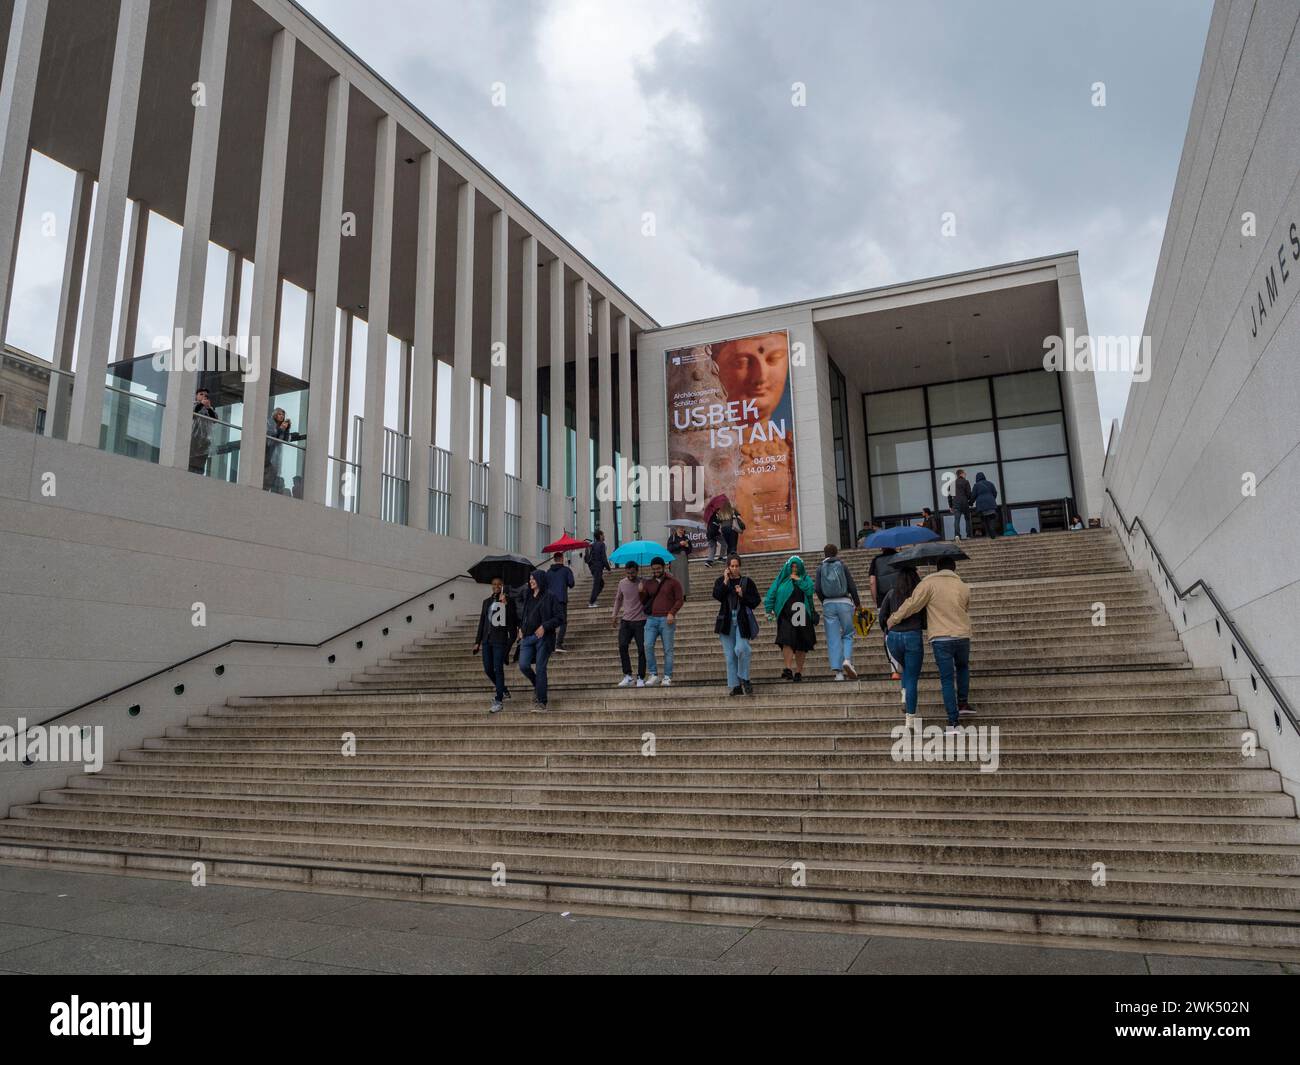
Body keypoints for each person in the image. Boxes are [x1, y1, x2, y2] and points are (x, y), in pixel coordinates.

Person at [888, 557, 974, 733]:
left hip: (941, 637)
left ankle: (953, 722)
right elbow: (965, 607)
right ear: (953, 568)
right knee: (963, 667)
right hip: (962, 634)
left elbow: (912, 604)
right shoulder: (963, 586)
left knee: (947, 679)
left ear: (937, 568)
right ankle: (963, 702)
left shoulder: (929, 583)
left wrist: (894, 618)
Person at [879, 565, 925, 725]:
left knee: (905, 667)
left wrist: (887, 628)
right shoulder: (918, 596)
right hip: (912, 636)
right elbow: (925, 618)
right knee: (912, 676)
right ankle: (910, 718)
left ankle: (905, 693)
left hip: (894, 638)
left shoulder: (892, 593)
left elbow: (882, 615)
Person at [712, 553, 760, 696]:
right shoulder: (721, 581)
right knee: (730, 656)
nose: (734, 568)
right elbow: (717, 596)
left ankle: (744, 678)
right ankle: (735, 685)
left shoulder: (747, 581)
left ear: (740, 566)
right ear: (727, 567)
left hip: (742, 620)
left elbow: (756, 601)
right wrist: (726, 581)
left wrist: (742, 595)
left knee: (742, 648)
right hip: (725, 621)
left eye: (736, 566)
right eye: (731, 566)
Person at [764, 555, 816, 682]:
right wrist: (769, 610)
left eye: (796, 566)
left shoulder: (805, 579)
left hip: (801, 613)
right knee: (786, 639)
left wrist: (798, 580)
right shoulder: (781, 579)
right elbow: (771, 593)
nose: (794, 568)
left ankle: (798, 672)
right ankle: (788, 669)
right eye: (792, 566)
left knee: (801, 643)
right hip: (785, 613)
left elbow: (810, 591)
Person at [517, 569, 563, 711]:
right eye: (530, 578)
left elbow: (560, 618)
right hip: (527, 637)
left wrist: (544, 626)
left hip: (543, 638)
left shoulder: (550, 597)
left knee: (540, 668)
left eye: (533, 578)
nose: (530, 581)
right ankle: (538, 684)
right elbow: (524, 616)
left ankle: (541, 701)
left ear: (540, 580)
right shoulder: (528, 596)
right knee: (523, 665)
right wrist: (520, 628)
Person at [815, 543, 861, 681]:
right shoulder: (842, 565)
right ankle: (847, 660)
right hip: (845, 603)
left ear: (824, 554)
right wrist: (857, 603)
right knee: (847, 634)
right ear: (836, 553)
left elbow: (817, 588)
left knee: (833, 638)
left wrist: (824, 601)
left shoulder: (820, 568)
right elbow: (851, 585)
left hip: (829, 604)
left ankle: (838, 673)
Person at [473, 576, 518, 713]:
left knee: (498, 669)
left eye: (499, 584)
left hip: (499, 640)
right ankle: (503, 689)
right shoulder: (486, 602)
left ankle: (498, 700)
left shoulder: (508, 601)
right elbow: (482, 622)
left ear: (503, 585)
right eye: (494, 584)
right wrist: (477, 641)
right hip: (487, 640)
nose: (496, 586)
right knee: (488, 669)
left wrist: (506, 605)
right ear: (491, 586)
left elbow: (513, 621)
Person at [640, 556, 684, 687]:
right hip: (651, 619)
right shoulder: (648, 583)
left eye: (658, 569)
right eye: (653, 569)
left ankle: (667, 676)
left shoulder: (673, 581)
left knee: (668, 650)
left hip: (667, 619)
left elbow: (680, 599)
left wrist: (672, 612)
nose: (656, 571)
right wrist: (641, 592)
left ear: (663, 567)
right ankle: (653, 674)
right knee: (647, 645)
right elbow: (643, 602)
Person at [611, 561, 647, 688]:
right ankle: (627, 675)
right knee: (622, 645)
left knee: (642, 649)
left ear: (637, 571)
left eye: (632, 573)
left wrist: (643, 590)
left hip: (641, 621)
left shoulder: (643, 582)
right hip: (626, 621)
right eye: (628, 573)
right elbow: (618, 599)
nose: (630, 575)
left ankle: (641, 677)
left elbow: (651, 596)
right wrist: (614, 615)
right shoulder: (622, 583)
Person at [869, 545, 901, 679]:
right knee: (903, 629)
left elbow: (872, 582)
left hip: (883, 601)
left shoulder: (876, 561)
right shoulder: (901, 558)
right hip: (901, 599)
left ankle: (894, 669)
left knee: (889, 633)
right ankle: (905, 664)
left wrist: (876, 599)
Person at [545, 551, 574, 650]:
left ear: (554, 559)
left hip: (550, 600)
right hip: (561, 599)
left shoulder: (548, 572)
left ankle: (551, 644)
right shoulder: (566, 570)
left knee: (551, 622)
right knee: (563, 622)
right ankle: (558, 644)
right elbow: (571, 583)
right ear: (562, 559)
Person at [189, 388, 217, 475]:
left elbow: (215, 419)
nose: (203, 396)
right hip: (193, 438)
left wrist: (208, 408)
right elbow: (192, 413)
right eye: (201, 394)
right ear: (196, 396)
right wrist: (201, 404)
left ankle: (198, 473)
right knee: (190, 458)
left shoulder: (209, 409)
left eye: (206, 396)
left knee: (200, 461)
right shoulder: (193, 405)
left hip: (204, 439)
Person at [264, 407, 292, 492]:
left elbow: (285, 440)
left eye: (283, 415)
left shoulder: (280, 426)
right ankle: (265, 488)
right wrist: (281, 429)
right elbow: (271, 437)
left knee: (273, 472)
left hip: (271, 454)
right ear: (275, 415)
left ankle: (267, 488)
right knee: (270, 471)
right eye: (279, 414)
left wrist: (287, 429)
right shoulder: (269, 422)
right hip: (265, 451)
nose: (281, 416)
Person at [584, 531, 611, 607]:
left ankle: (593, 599)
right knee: (597, 584)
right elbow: (603, 558)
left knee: (601, 584)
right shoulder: (601, 544)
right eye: (603, 535)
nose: (604, 536)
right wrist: (608, 569)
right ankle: (591, 602)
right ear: (600, 536)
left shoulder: (592, 545)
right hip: (598, 567)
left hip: (593, 567)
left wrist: (592, 567)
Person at [972, 471, 1000, 538]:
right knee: (992, 517)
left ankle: (988, 533)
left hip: (981, 505)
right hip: (991, 504)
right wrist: (992, 499)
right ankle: (992, 530)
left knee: (984, 519)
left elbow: (973, 496)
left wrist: (970, 502)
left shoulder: (976, 485)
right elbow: (995, 493)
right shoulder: (990, 483)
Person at [666, 526, 692, 597]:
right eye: (680, 528)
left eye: (683, 528)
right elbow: (669, 549)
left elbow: (690, 550)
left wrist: (687, 546)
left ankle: (684, 594)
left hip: (683, 559)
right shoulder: (672, 538)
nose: (681, 530)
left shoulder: (686, 538)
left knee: (684, 577)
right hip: (675, 559)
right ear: (676, 529)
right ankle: (676, 594)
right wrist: (679, 544)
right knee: (675, 577)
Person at [950, 469, 973, 539]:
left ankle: (957, 535)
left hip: (956, 503)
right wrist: (969, 500)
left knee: (957, 520)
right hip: (964, 502)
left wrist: (950, 506)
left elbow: (950, 496)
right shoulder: (966, 482)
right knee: (967, 519)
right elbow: (969, 493)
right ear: (961, 474)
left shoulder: (953, 483)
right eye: (964, 473)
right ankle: (968, 535)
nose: (965, 474)